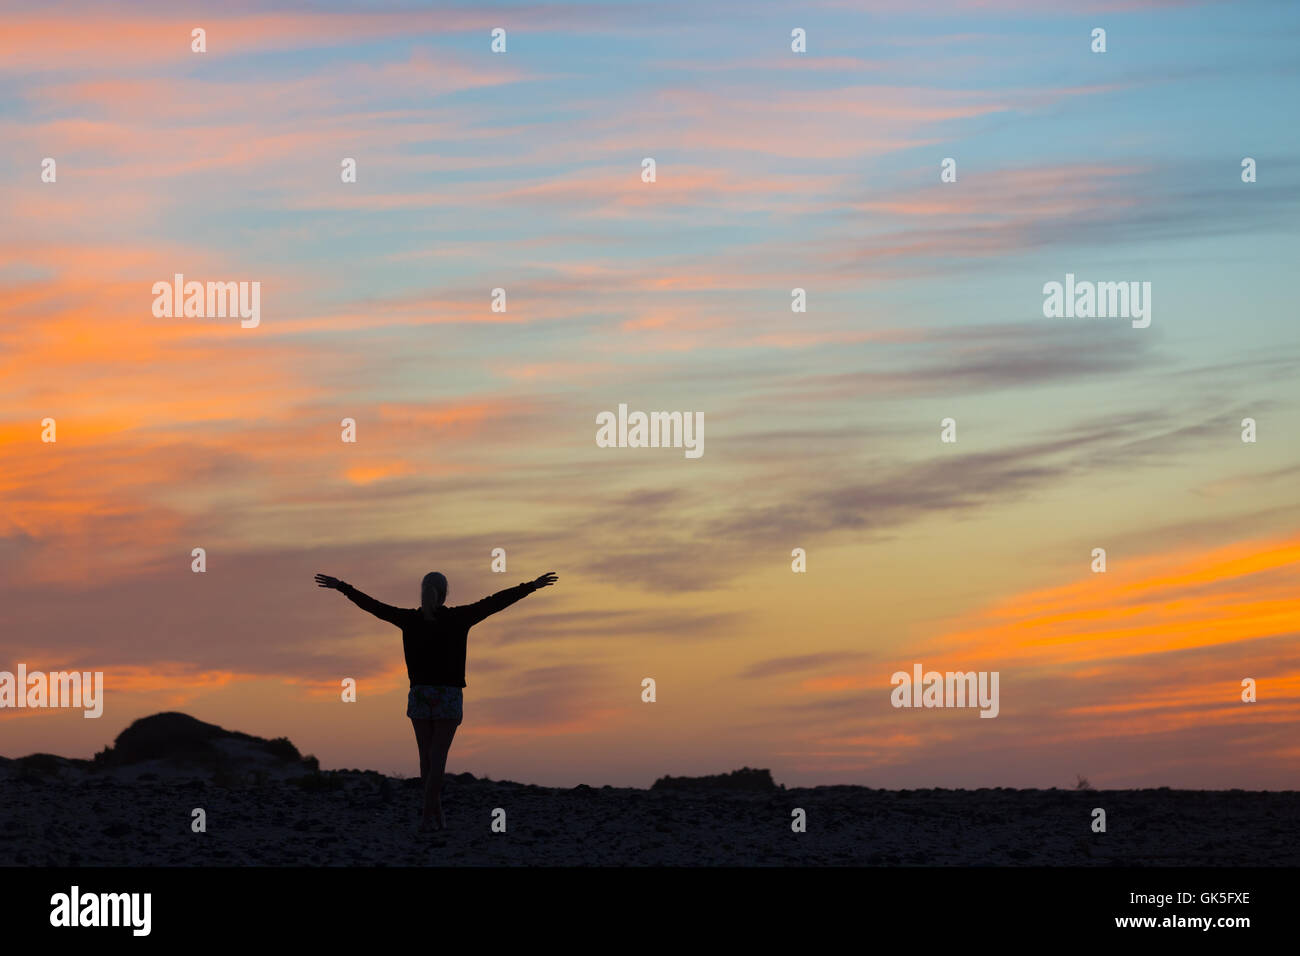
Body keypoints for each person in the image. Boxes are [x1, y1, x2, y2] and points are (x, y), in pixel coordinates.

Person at [314, 569, 558, 831]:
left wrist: (342, 586)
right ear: (445, 594)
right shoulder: (459, 617)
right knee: (438, 758)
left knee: (426, 759)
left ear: (423, 592)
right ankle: (426, 815)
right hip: (448, 696)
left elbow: (373, 606)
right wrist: (531, 586)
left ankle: (435, 816)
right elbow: (495, 602)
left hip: (420, 694)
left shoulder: (409, 619)